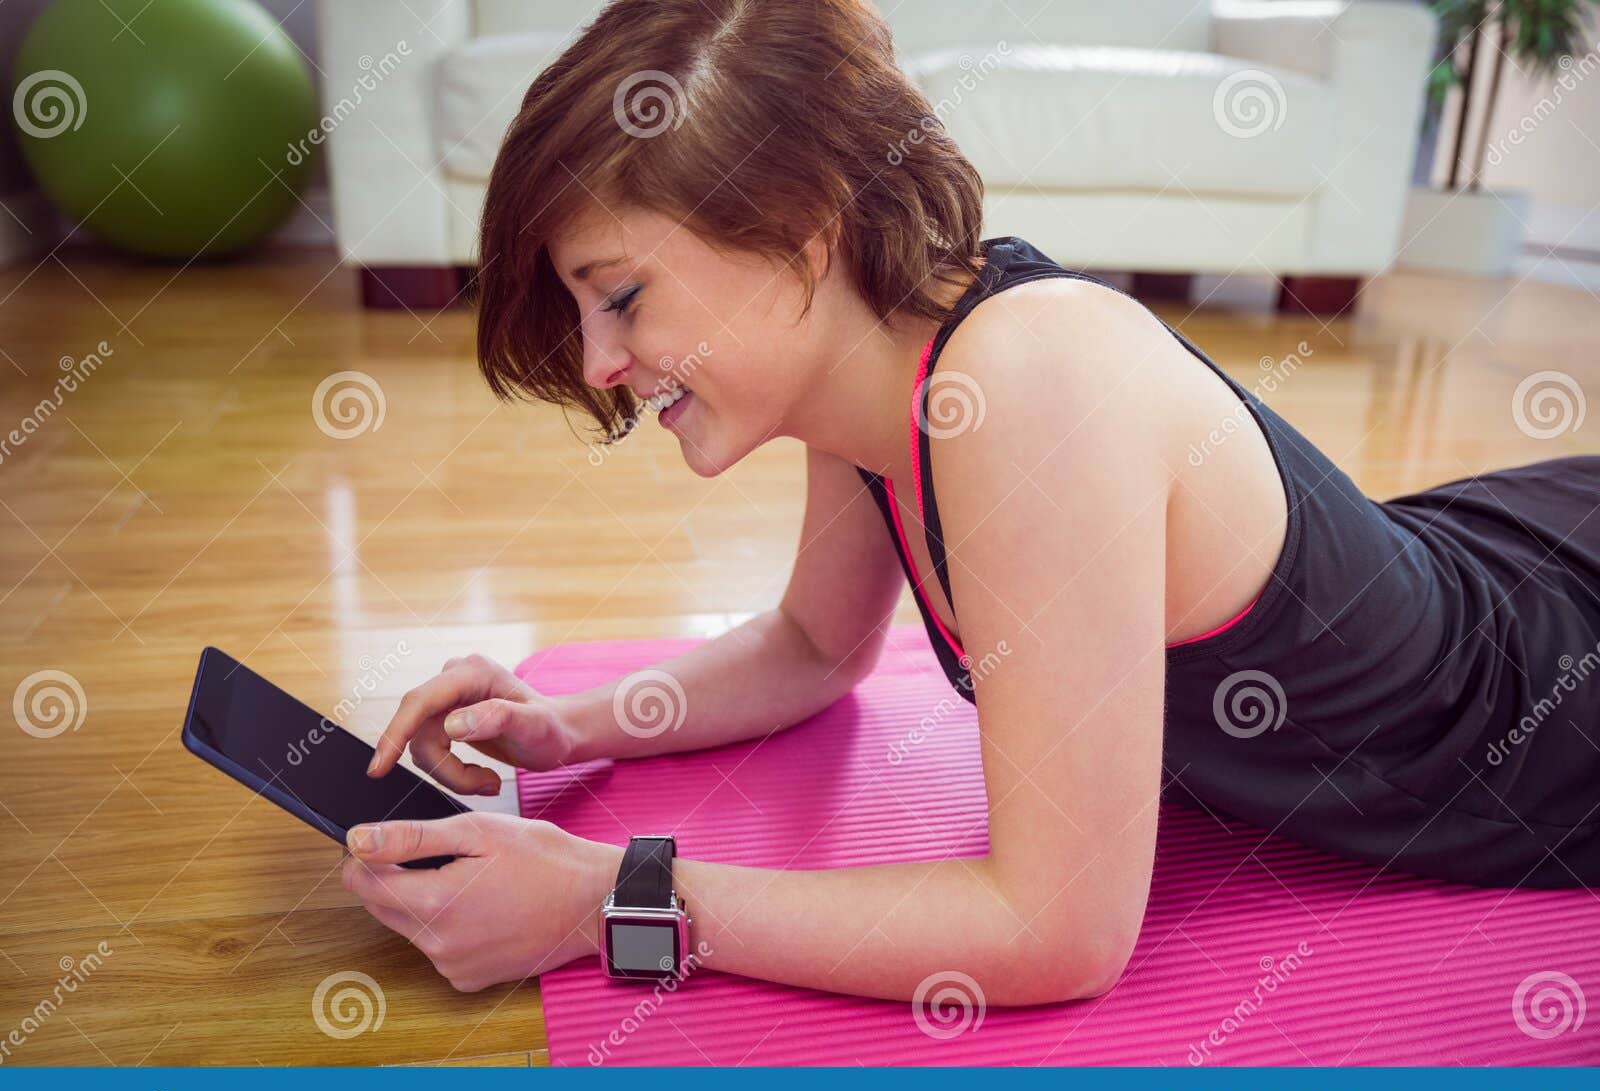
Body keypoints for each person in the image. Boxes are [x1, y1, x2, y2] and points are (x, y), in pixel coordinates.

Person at [341, 0, 1600, 1003]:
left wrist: (601, 900)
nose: (597, 362)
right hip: (1472, 555)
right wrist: (567, 728)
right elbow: (811, 647)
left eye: (619, 297)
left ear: (799, 225)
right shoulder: (882, 382)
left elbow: (1055, 932)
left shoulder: (1024, 378)